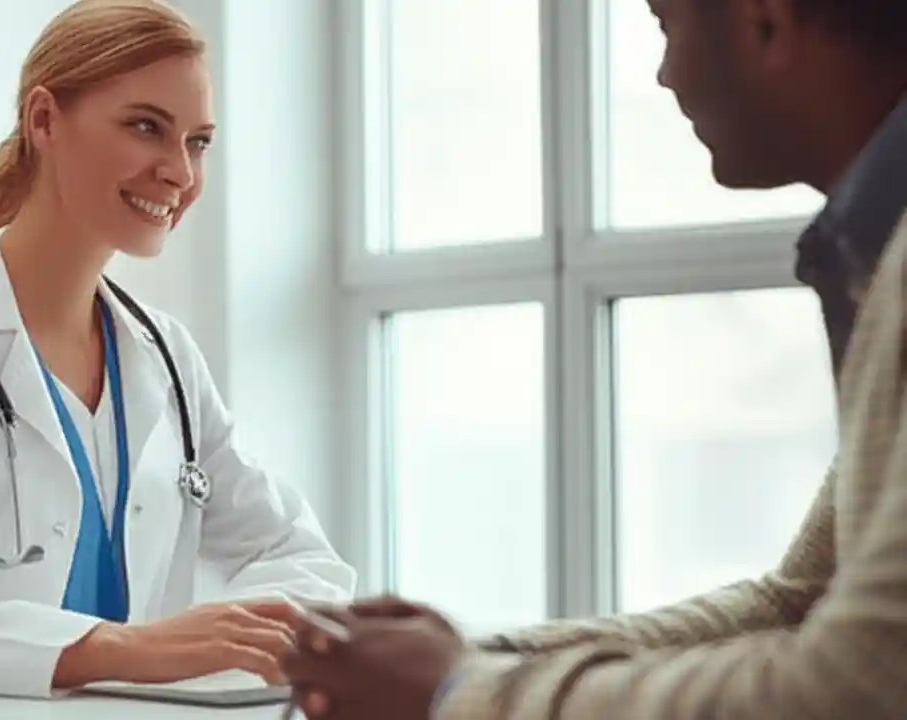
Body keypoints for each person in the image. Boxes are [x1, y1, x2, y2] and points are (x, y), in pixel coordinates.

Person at [283, 0, 907, 717]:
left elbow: (860, 681)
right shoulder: (879, 259)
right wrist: (471, 660)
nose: (666, 74)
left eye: (666, 22)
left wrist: (455, 691)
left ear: (765, 22)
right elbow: (797, 601)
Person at [0, 0, 354, 699]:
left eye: (199, 141)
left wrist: (226, 637)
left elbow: (297, 553)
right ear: (45, 120)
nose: (180, 171)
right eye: (147, 126)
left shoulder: (164, 356)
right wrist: (119, 648)